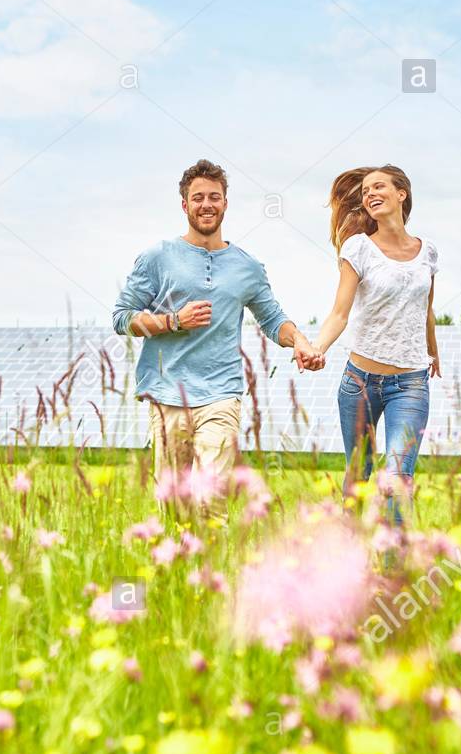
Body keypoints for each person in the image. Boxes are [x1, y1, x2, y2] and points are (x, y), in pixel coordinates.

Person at [112, 159, 324, 521]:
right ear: (184, 205)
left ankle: (213, 571)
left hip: (221, 395)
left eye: (214, 197)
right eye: (197, 198)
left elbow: (273, 319)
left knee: (210, 500)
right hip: (166, 395)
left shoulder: (247, 266)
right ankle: (178, 572)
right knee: (174, 507)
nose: (206, 204)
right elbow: (122, 318)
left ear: (226, 203)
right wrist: (173, 321)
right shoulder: (156, 258)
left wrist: (300, 341)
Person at [311, 164, 440, 526]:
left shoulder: (427, 252)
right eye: (366, 191)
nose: (370, 194)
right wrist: (317, 347)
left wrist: (434, 350)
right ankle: (348, 559)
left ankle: (391, 571)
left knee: (398, 479)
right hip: (360, 383)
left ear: (402, 194)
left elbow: (426, 310)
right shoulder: (359, 248)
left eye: (379, 187)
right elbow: (339, 313)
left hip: (411, 383)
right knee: (359, 475)